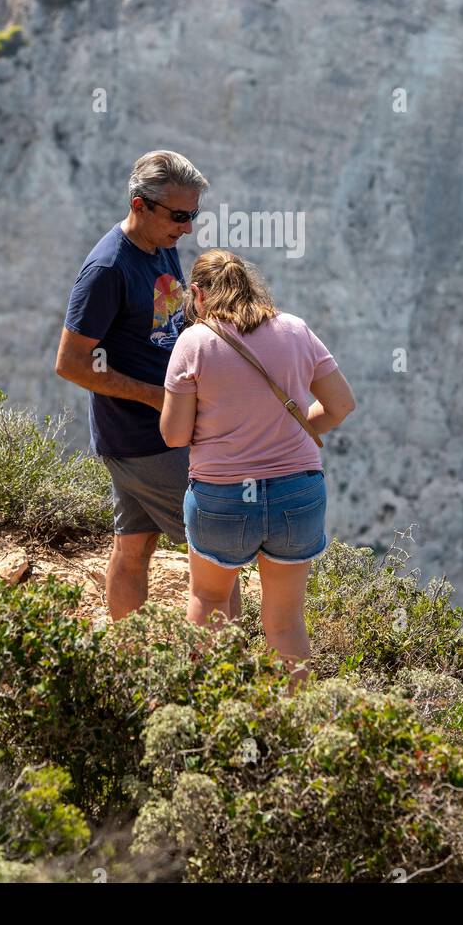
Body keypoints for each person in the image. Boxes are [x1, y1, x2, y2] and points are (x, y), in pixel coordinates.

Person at [54, 150, 242, 622]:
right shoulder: (106, 270)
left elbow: (167, 322)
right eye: (179, 216)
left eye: (193, 215)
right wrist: (157, 397)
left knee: (133, 545)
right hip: (145, 438)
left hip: (161, 430)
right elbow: (71, 363)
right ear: (140, 206)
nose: (188, 228)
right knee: (220, 548)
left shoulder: (161, 247)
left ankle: (125, 653)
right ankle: (226, 672)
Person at [160, 249, 356, 686]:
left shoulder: (194, 342)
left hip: (223, 496)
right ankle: (292, 725)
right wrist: (296, 433)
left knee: (209, 600)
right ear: (251, 286)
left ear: (198, 294)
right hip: (297, 494)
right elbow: (341, 404)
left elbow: (173, 435)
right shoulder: (296, 330)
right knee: (285, 621)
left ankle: (208, 714)